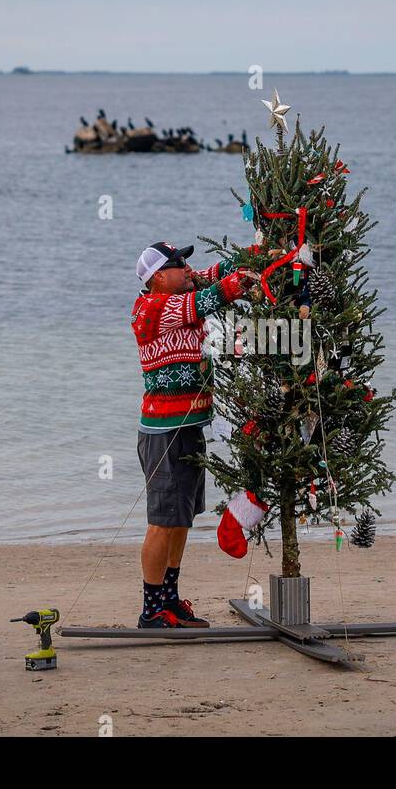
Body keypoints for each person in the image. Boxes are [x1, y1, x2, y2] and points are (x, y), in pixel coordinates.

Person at [131, 241, 259, 628]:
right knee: (162, 519)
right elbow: (208, 299)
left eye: (186, 261)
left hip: (189, 426)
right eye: (177, 264)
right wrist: (239, 284)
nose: (188, 267)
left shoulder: (182, 286)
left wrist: (259, 250)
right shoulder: (151, 309)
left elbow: (216, 275)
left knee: (182, 516)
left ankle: (170, 597)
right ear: (157, 277)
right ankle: (151, 609)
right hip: (164, 431)